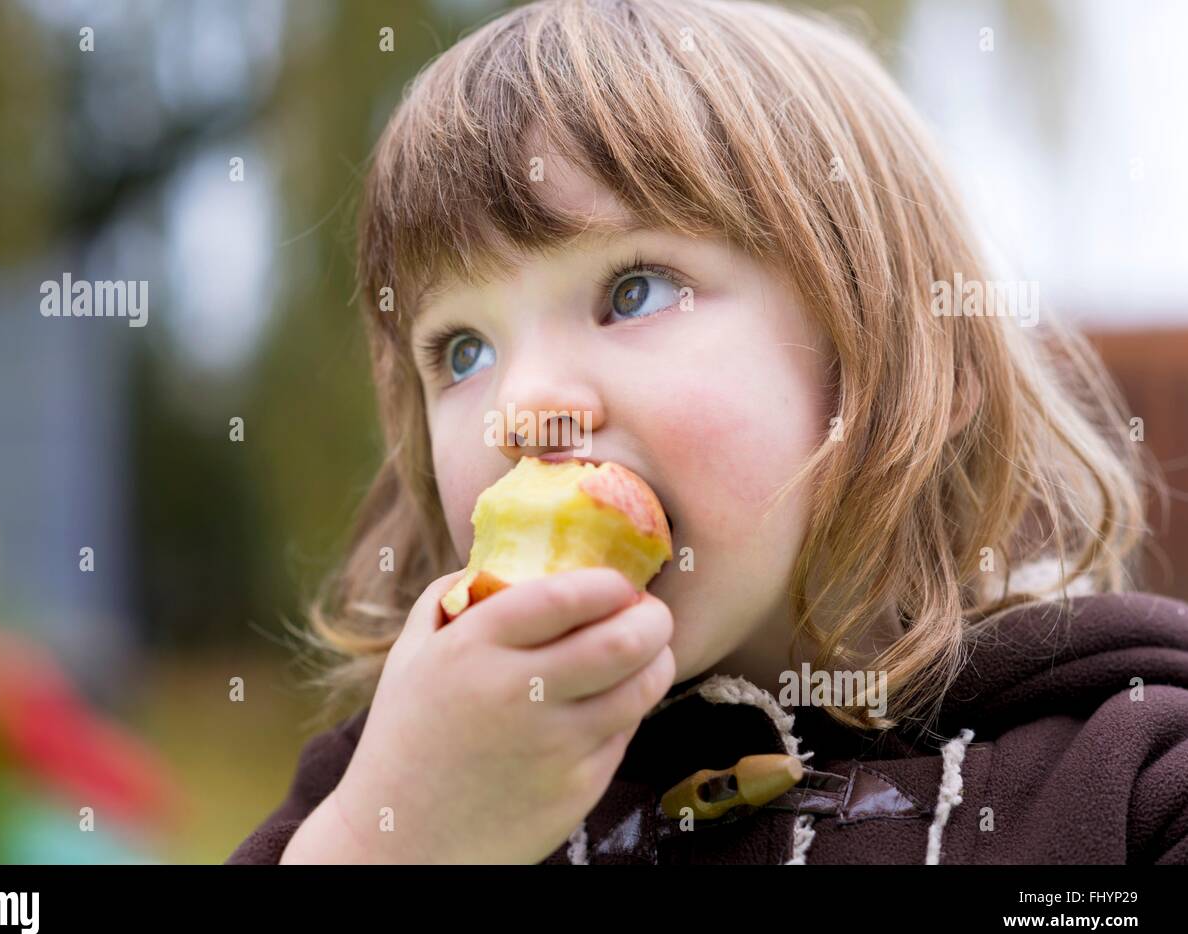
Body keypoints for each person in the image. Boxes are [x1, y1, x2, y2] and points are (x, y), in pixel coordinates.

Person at [228, 0, 1188, 864]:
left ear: (913, 364)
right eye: (464, 351)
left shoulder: (1123, 775)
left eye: (631, 291)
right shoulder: (395, 784)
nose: (521, 407)